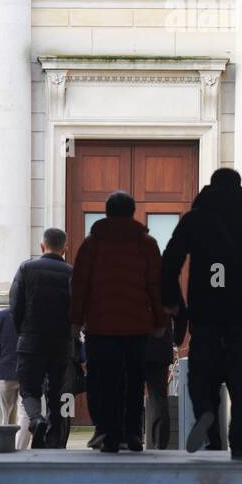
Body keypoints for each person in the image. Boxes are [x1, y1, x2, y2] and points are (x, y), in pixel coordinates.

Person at [161, 168, 242, 462]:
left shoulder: (195, 221)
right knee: (240, 378)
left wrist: (173, 301)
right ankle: (238, 441)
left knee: (203, 377)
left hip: (205, 313)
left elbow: (170, 261)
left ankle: (209, 425)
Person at [70, 191, 168, 455]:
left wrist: (76, 320)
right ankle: (134, 433)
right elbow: (155, 286)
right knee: (135, 380)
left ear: (107, 212)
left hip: (100, 326)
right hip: (137, 325)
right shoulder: (147, 244)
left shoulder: (91, 244)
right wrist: (161, 321)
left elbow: (80, 285)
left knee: (103, 380)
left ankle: (108, 433)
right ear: (132, 211)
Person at [10, 227, 74, 450]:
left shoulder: (26, 269)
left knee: (29, 390)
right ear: (65, 248)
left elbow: (15, 306)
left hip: (31, 342)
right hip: (60, 343)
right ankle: (53, 442)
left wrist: (24, 332)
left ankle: (36, 420)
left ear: (42, 246)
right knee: (56, 393)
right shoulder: (71, 273)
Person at [144, 298, 188, 449]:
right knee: (159, 398)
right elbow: (181, 312)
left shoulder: (130, 274)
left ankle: (131, 437)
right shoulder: (165, 280)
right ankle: (160, 443)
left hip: (133, 341)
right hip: (159, 343)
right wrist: (177, 339)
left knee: (129, 395)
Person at [0, 304, 30, 451]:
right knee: (25, 414)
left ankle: (6, 448)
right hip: (29, 372)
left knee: (7, 415)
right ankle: (20, 449)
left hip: (5, 372)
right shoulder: (33, 315)